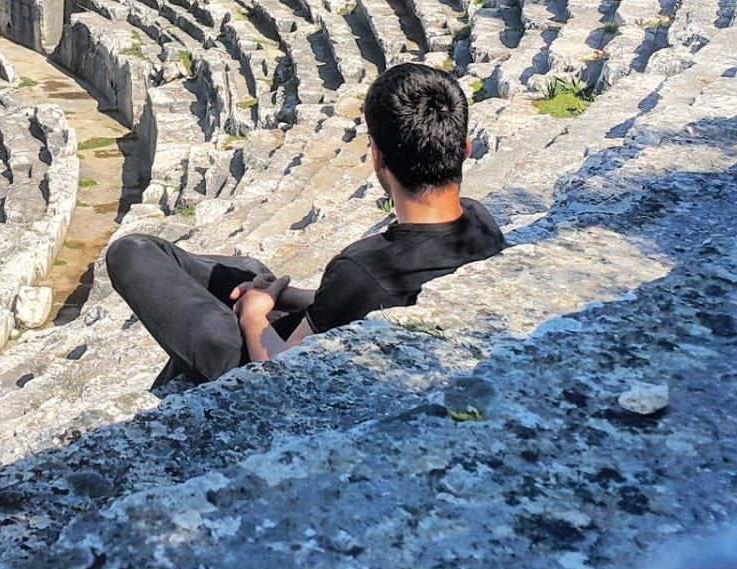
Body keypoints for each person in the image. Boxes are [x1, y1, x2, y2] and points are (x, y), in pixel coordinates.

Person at [105, 62, 506, 387]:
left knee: (132, 253)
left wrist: (254, 316)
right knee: (247, 272)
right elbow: (367, 302)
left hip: (271, 368)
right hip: (350, 335)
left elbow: (286, 374)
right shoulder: (479, 221)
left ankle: (185, 388)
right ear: (466, 149)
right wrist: (286, 296)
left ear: (378, 157)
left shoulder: (364, 268)